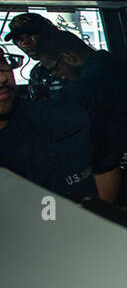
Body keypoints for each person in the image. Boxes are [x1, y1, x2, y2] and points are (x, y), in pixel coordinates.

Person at [32, 30, 127, 185]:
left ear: (69, 58)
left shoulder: (87, 86)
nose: (56, 75)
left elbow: (50, 116)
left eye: (55, 69)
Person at [0, 58, 117, 201]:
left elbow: (105, 167)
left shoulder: (71, 122)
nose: (2, 78)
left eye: (1, 61)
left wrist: (96, 219)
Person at [4, 13, 65, 102]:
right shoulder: (37, 72)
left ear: (50, 35)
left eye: (32, 36)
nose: (26, 43)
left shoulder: (74, 68)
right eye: (19, 39)